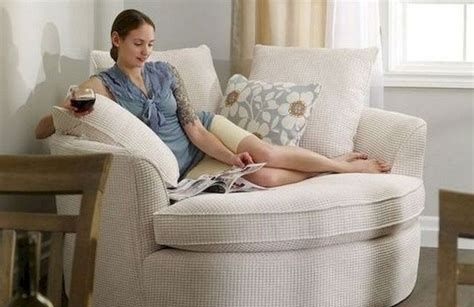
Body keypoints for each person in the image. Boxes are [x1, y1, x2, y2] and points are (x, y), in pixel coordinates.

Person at [35, 9, 391, 187]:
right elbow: (40, 130)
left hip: (208, 134)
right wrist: (63, 113)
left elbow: (194, 128)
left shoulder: (166, 72)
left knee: (265, 155)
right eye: (138, 44)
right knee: (263, 179)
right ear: (117, 40)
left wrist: (233, 156)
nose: (146, 52)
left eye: (150, 45)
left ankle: (343, 166)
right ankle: (327, 169)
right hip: (188, 168)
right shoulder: (102, 85)